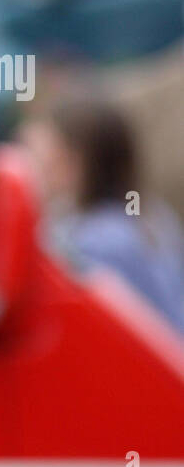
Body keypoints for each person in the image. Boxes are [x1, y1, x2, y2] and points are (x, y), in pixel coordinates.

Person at [19, 90, 184, 332]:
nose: (26, 169)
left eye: (36, 157)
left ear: (70, 165)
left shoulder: (95, 241)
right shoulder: (151, 214)